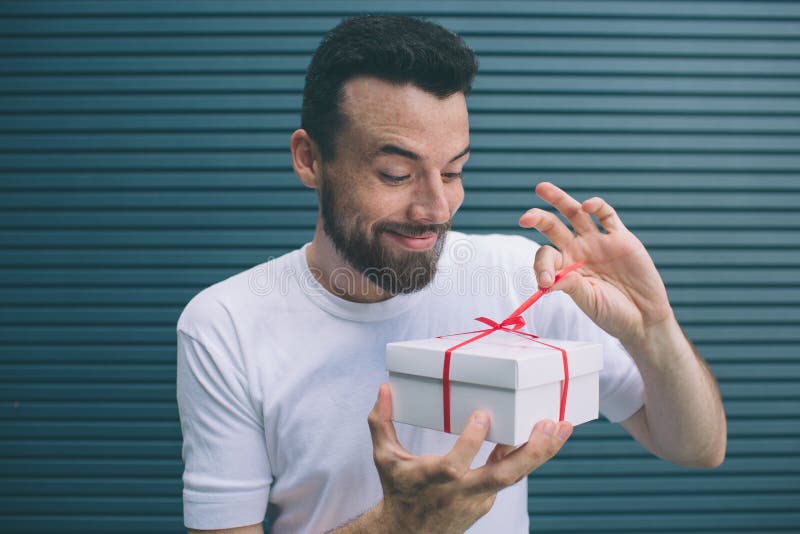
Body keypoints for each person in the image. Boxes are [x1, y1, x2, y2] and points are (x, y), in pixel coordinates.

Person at [176, 14, 726, 534]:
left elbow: (698, 448)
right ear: (310, 159)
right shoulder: (226, 323)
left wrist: (653, 327)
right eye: (396, 174)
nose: (436, 209)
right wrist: (402, 524)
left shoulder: (526, 279)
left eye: (453, 171)